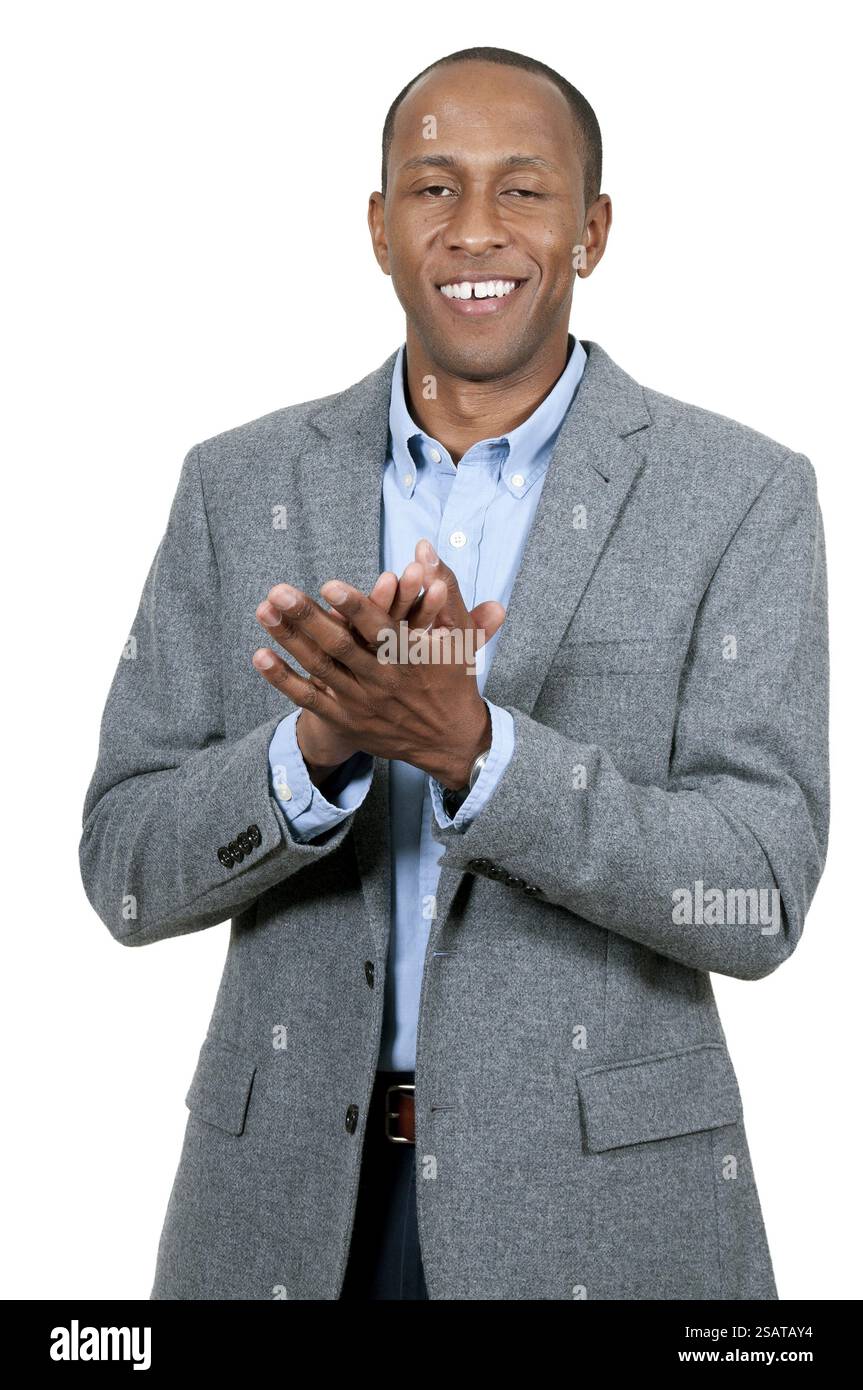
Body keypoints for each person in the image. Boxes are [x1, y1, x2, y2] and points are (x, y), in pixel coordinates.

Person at [80, 47, 829, 1300]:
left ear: (591, 230)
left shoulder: (741, 495)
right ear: (378, 228)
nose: (474, 228)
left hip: (604, 1220)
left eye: (522, 191)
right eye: (431, 188)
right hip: (278, 1219)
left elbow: (754, 895)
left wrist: (479, 754)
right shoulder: (236, 486)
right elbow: (124, 872)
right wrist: (313, 753)